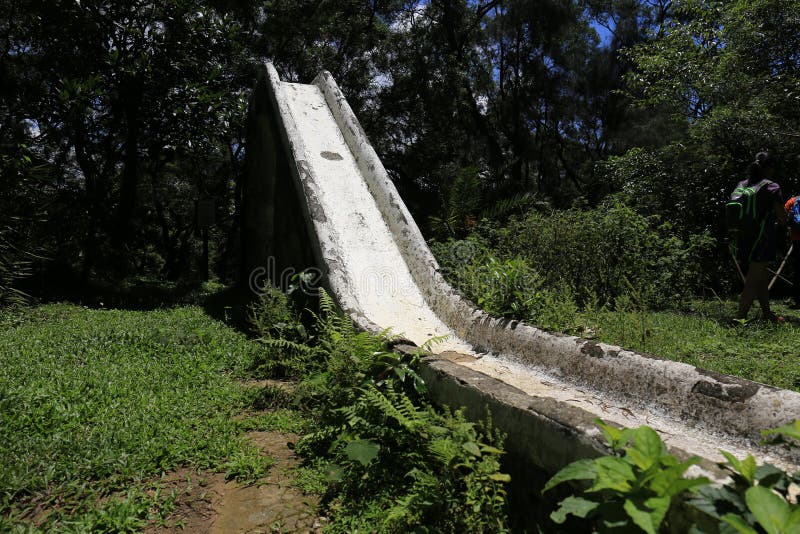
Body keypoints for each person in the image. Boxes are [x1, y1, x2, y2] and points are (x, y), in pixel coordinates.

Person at [733, 151, 787, 322]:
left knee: (760, 275)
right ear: (769, 168)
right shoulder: (772, 187)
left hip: (742, 237)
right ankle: (740, 317)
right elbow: (781, 217)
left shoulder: (742, 184)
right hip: (762, 238)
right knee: (752, 279)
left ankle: (767, 313)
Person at [784, 194, 800, 308]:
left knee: (798, 270)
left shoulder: (793, 201)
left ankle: (797, 300)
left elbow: (783, 216)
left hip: (797, 239)